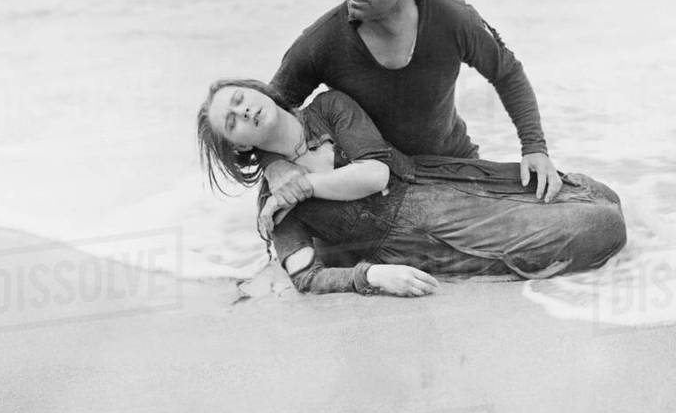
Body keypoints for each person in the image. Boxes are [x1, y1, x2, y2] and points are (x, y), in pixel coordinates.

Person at [198, 79, 627, 297]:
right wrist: (373, 275)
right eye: (230, 121)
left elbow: (377, 174)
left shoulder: (328, 109)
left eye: (238, 98)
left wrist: (305, 184)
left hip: (435, 185)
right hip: (419, 241)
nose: (243, 111)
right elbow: (307, 279)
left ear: (255, 91)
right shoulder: (274, 204)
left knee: (598, 192)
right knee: (602, 226)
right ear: (238, 144)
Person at [264, 0, 565, 207]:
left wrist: (534, 148)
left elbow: (507, 74)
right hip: (374, 181)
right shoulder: (323, 40)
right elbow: (266, 109)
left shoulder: (454, 19)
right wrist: (273, 165)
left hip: (452, 165)